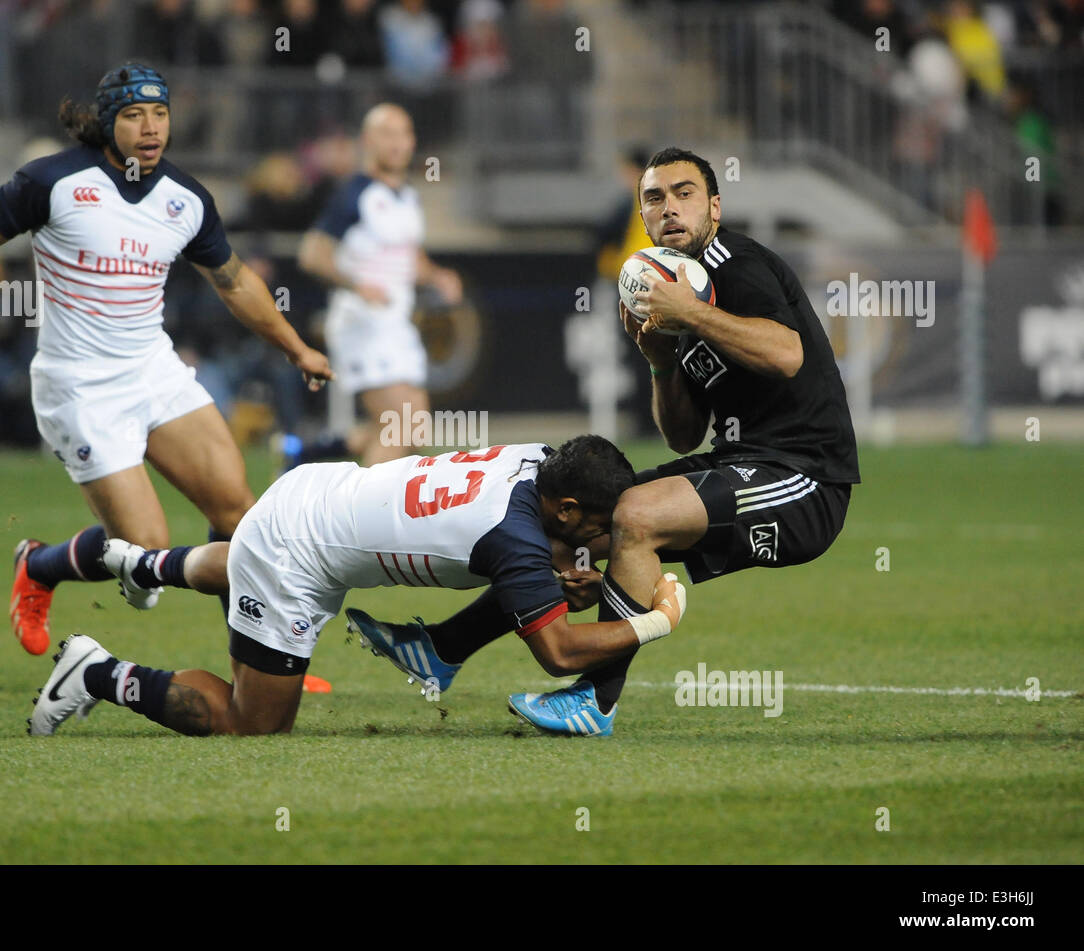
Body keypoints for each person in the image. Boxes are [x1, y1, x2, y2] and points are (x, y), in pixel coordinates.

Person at [351, 147, 860, 736]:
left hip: (805, 478)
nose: (669, 208)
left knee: (636, 516)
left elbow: (786, 354)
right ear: (642, 216)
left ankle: (596, 700)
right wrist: (661, 363)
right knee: (581, 525)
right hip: (739, 459)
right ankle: (442, 648)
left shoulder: (735, 265)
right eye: (654, 198)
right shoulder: (668, 290)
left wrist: (690, 316)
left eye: (684, 193)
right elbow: (683, 434)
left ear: (714, 207)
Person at [0, 63, 333, 655]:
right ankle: (40, 566)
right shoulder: (51, 182)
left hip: (153, 371)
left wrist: (298, 348)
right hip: (80, 387)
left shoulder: (186, 198)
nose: (151, 128)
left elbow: (235, 283)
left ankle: (263, 672)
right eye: (134, 115)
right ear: (107, 123)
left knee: (242, 519)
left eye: (160, 114)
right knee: (145, 556)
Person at [27, 436, 688, 737]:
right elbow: (561, 653)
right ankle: (97, 673)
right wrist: (657, 619)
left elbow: (510, 536)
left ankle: (144, 565)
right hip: (295, 554)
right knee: (254, 721)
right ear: (567, 508)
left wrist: (551, 569)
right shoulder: (516, 543)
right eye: (599, 528)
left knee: (250, 549)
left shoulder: (538, 458)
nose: (605, 541)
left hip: (318, 487)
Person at [296, 103, 462, 466]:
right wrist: (358, 285)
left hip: (396, 323)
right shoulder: (354, 194)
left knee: (414, 430)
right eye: (388, 134)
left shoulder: (407, 197)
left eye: (404, 133)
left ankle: (307, 454)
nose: (398, 143)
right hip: (363, 321)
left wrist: (437, 276)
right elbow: (312, 253)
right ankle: (365, 518)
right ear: (368, 141)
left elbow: (410, 258)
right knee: (399, 426)